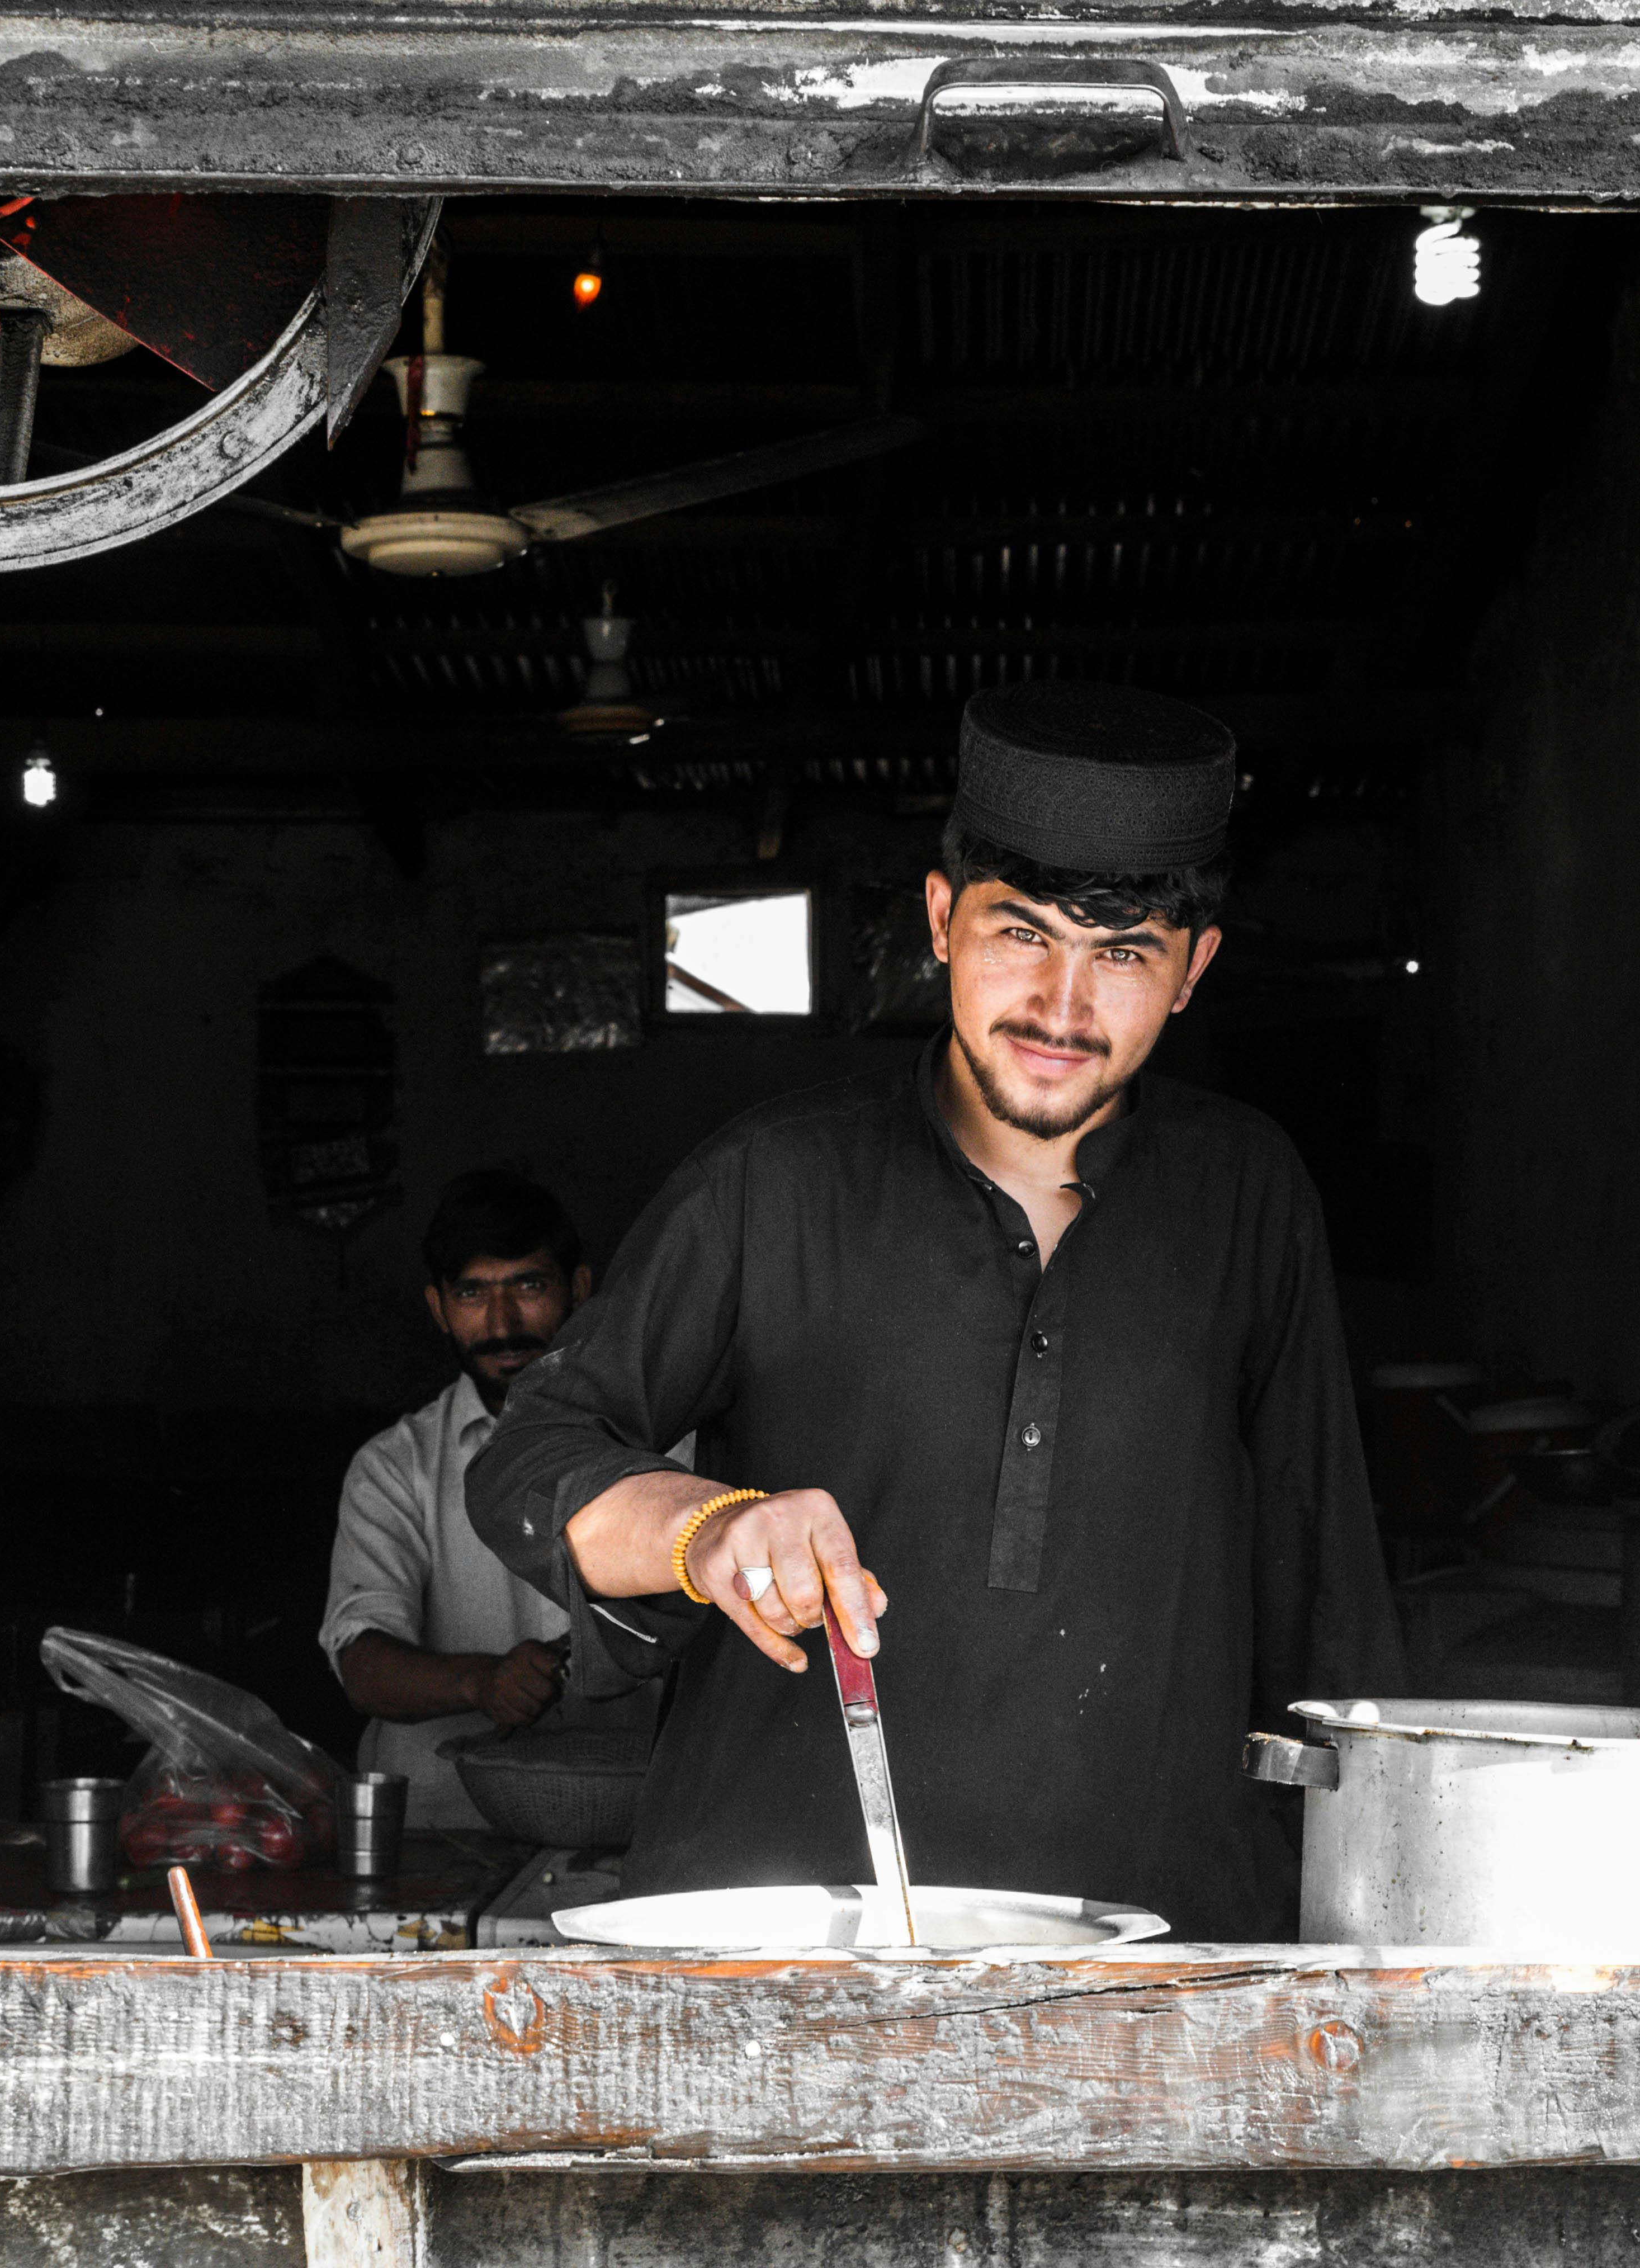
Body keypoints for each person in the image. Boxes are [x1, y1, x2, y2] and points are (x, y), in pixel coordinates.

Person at [469, 681, 1400, 1939]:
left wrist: (1360, 1946)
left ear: (1195, 972)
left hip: (1154, 1959)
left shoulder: (1247, 1195)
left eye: (1123, 953)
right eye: (1022, 934)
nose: (1063, 1009)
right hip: (783, 1939)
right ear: (940, 920)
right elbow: (532, 1453)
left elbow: (1323, 1601)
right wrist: (710, 1530)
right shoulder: (776, 1179)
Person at [319, 1170, 649, 1831]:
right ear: (439, 1308)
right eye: (472, 1293)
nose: (502, 1324)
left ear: (580, 1290)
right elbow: (362, 1667)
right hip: (440, 1835)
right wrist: (481, 1681)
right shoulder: (395, 1467)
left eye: (529, 1285)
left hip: (629, 1831)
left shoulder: (664, 1452)